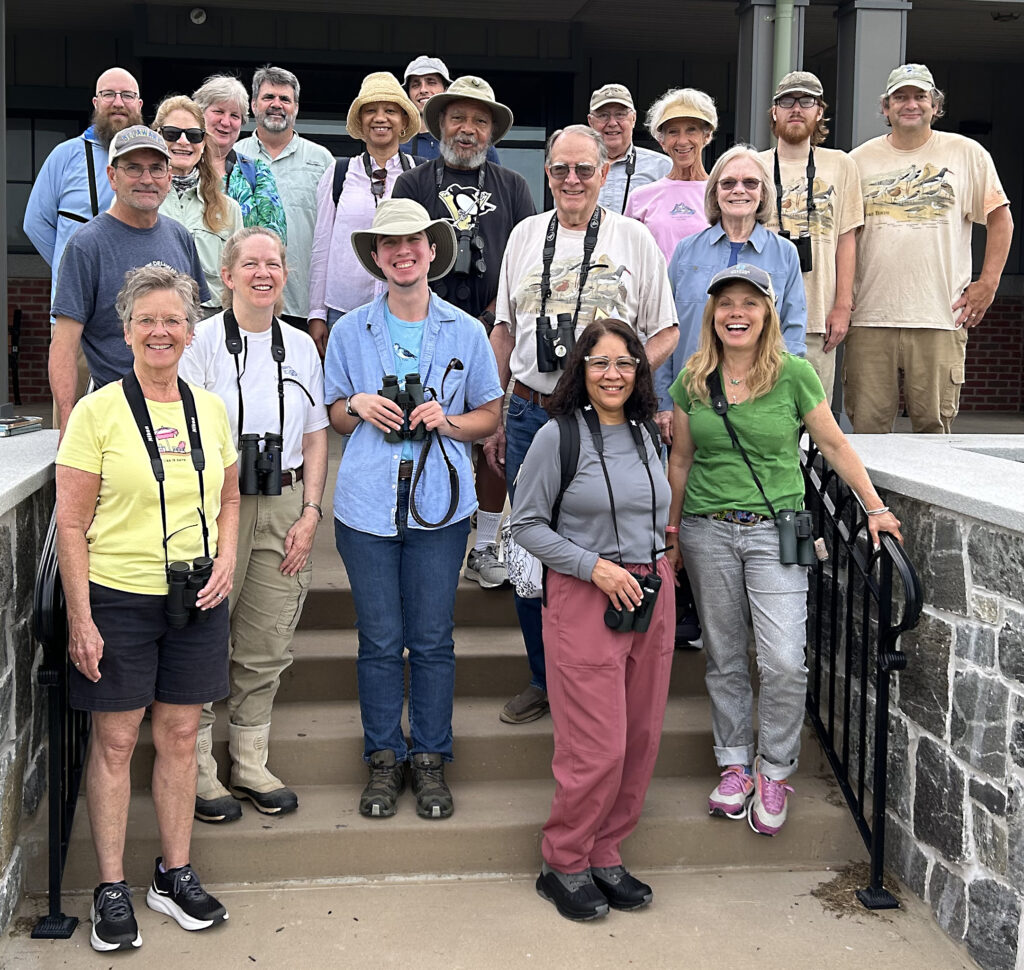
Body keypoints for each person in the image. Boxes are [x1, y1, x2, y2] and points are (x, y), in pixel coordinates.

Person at [664, 263, 902, 837]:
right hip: (706, 531)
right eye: (726, 303)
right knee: (724, 656)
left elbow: (833, 444)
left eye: (749, 302)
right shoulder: (694, 378)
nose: (736, 313)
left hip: (777, 532)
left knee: (784, 661)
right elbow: (682, 461)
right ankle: (733, 765)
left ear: (768, 312)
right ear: (712, 314)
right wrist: (670, 534)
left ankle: (773, 769)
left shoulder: (794, 374)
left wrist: (874, 508)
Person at [55, 264, 238, 951]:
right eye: (147, 320)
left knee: (183, 736)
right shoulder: (97, 412)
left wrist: (226, 558)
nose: (161, 331)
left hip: (196, 596)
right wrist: (81, 618)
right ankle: (110, 885)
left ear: (191, 332)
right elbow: (71, 523)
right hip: (118, 597)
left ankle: (173, 873)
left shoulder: (210, 409)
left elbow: (229, 495)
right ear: (126, 330)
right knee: (116, 741)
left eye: (173, 320)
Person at [488, 124, 679, 725]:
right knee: (531, 551)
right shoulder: (524, 235)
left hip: (609, 421)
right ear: (547, 173)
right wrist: (496, 411)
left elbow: (666, 330)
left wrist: (614, 380)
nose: (571, 180)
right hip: (531, 412)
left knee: (605, 541)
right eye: (560, 169)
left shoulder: (633, 238)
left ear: (605, 172)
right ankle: (544, 676)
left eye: (584, 169)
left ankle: (605, 666)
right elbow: (504, 329)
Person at [323, 199, 502, 820]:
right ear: (377, 257)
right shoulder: (350, 331)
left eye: (414, 242)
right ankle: (383, 757)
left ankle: (429, 758)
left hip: (439, 507)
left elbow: (489, 415)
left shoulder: (466, 331)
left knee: (430, 640)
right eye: (390, 244)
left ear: (432, 251)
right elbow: (333, 413)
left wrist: (446, 421)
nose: (403, 253)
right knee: (378, 640)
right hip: (367, 505)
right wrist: (359, 406)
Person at [511, 319, 674, 922]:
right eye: (600, 363)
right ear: (580, 369)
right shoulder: (558, 436)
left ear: (640, 372)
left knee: (640, 739)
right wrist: (594, 567)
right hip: (587, 596)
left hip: (650, 594)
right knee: (596, 745)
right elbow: (525, 525)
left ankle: (605, 853)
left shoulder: (647, 433)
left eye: (625, 363)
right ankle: (564, 859)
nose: (613, 375)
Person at [179, 227, 328, 823]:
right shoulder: (201, 342)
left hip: (285, 501)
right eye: (251, 264)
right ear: (227, 275)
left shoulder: (303, 346)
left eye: (274, 264)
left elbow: (315, 436)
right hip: (219, 505)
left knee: (267, 642)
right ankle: (196, 769)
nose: (263, 273)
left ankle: (249, 762)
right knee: (203, 636)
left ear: (286, 275)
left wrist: (311, 512)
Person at [393, 74, 536, 590]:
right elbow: (398, 251)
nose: (468, 129)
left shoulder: (513, 186)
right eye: (458, 118)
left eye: (479, 120)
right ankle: (418, 528)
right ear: (441, 125)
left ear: (491, 131)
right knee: (423, 428)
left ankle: (486, 542)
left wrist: (499, 312)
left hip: (495, 329)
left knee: (493, 433)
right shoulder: (413, 184)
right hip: (425, 326)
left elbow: (527, 260)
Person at [847, 63, 1013, 433]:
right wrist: (842, 297)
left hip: (940, 316)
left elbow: (1001, 219)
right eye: (900, 97)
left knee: (934, 432)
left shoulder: (967, 153)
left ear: (935, 105)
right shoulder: (857, 161)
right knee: (868, 433)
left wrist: (988, 284)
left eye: (920, 96)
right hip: (871, 317)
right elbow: (844, 236)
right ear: (886, 107)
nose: (911, 104)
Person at [49, 125, 210, 435]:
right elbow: (64, 345)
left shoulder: (180, 237)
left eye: (156, 168)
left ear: (169, 177)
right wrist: (68, 425)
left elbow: (196, 331)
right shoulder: (87, 245)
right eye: (133, 168)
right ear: (112, 176)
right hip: (114, 413)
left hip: (177, 410)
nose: (146, 179)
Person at [655, 144, 806, 447]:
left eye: (750, 182)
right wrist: (664, 401)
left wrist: (784, 395)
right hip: (692, 398)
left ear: (763, 192)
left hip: (760, 399)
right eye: (728, 183)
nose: (739, 190)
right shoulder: (685, 251)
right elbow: (664, 328)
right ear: (714, 193)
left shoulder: (785, 254)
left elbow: (793, 333)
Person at [758, 71, 863, 406]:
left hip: (817, 318)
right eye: (787, 101)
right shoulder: (753, 165)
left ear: (819, 111)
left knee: (813, 414)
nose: (796, 109)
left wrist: (842, 306)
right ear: (774, 111)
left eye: (806, 101)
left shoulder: (841, 164)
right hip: (760, 317)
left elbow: (847, 239)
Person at [307, 72, 421, 355]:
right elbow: (322, 245)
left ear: (403, 121)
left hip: (406, 309)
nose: (380, 118)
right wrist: (317, 313)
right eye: (371, 110)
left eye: (390, 111)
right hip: (344, 309)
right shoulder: (339, 173)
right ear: (361, 121)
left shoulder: (420, 174)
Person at [23, 66, 143, 311]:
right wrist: (70, 267)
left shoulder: (152, 160)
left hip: (137, 310)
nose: (118, 102)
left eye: (127, 95)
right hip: (74, 310)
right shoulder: (65, 155)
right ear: (96, 103)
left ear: (139, 104)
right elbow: (35, 223)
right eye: (108, 94)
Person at [236, 65, 333, 331]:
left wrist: (321, 311)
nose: (276, 105)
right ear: (253, 105)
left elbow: (331, 238)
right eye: (268, 97)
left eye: (285, 99)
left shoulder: (322, 160)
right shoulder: (234, 157)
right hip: (244, 302)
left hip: (303, 305)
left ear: (296, 108)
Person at [155, 96, 244, 313]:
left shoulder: (229, 209)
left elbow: (239, 279)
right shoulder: (136, 202)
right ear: (157, 137)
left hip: (210, 321)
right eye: (172, 133)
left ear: (203, 144)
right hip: (153, 319)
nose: (183, 141)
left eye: (194, 135)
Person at [192, 73, 288, 242]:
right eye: (218, 111)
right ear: (200, 114)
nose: (226, 122)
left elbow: (275, 239)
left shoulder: (257, 173)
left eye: (235, 116)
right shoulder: (180, 166)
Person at [625, 87, 717, 261]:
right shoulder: (640, 198)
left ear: (706, 136)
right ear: (662, 141)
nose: (682, 141)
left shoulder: (721, 193)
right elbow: (628, 256)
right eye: (673, 131)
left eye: (691, 130)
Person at [400, 55, 501, 164]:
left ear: (446, 89)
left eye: (431, 82)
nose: (423, 90)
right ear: (408, 94)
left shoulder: (474, 142)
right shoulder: (398, 143)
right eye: (415, 85)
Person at [588, 83, 671, 214]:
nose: (612, 123)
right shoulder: (574, 166)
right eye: (603, 115)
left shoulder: (663, 167)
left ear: (633, 118)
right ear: (590, 122)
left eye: (620, 114)